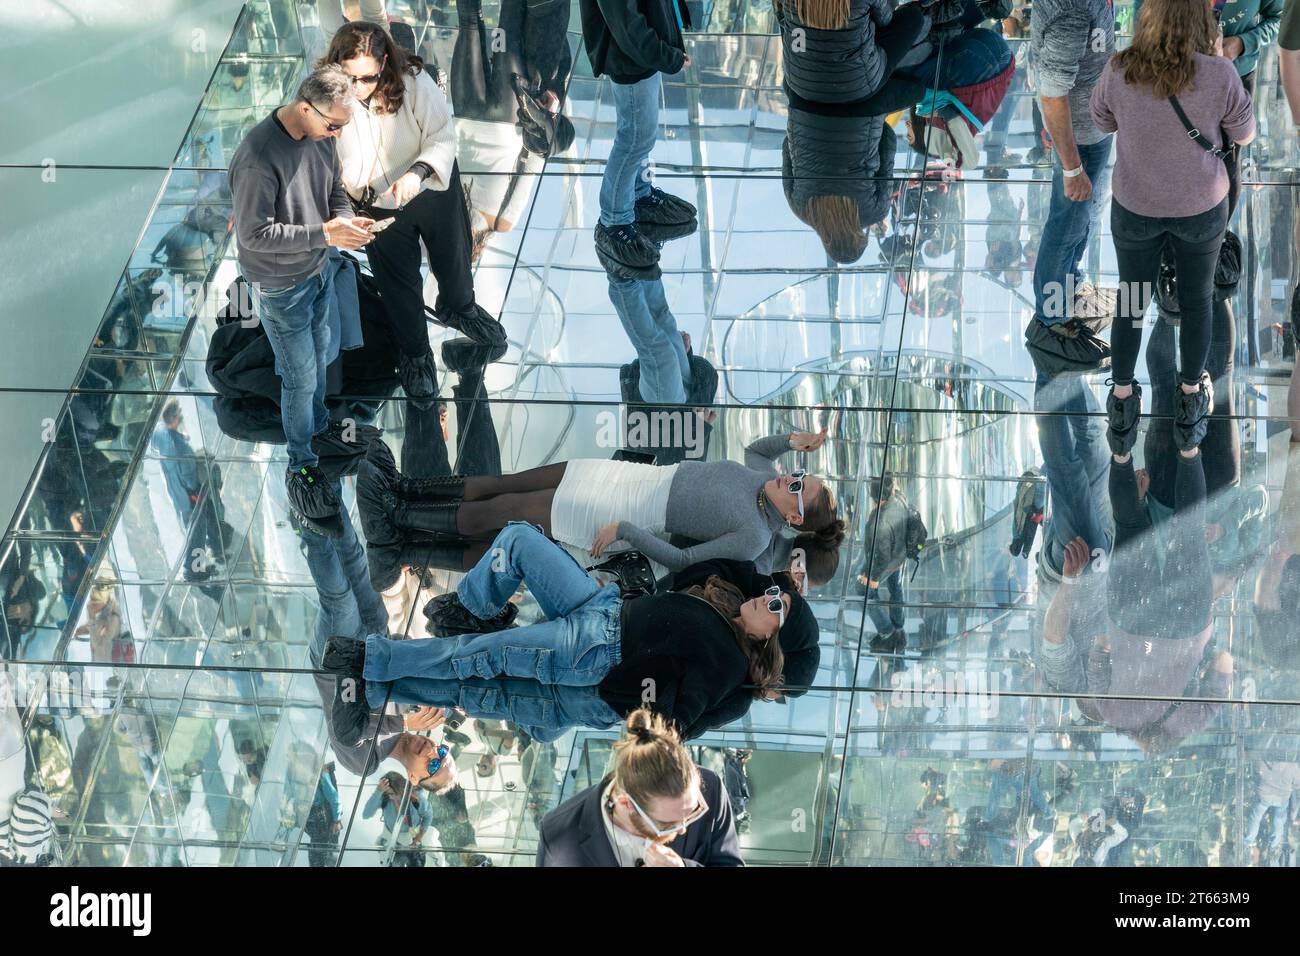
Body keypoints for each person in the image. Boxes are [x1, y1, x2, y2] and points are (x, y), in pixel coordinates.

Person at [322, 522, 794, 743]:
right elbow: (726, 566)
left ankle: (370, 666)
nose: (767, 595)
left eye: (777, 607)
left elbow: (676, 723)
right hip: (603, 614)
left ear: (767, 639)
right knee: (519, 541)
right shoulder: (725, 605)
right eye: (773, 593)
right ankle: (464, 611)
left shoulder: (729, 665)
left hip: (596, 653)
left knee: (472, 667)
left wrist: (627, 690)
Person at [1090, 0, 1255, 459]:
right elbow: (1244, 134)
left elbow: (1101, 121)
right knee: (1198, 299)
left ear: (1146, 20)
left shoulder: (1119, 68)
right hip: (1200, 208)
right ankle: (1188, 401)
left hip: (1135, 206)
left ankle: (1122, 403)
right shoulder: (1219, 74)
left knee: (1131, 300)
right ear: (1203, 24)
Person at [356, 427, 844, 577]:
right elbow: (758, 449)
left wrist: (625, 532)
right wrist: (794, 441)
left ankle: (396, 523)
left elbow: (680, 559)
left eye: (800, 488)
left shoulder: (755, 538)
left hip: (615, 514)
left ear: (795, 517)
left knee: (500, 515)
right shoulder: (763, 478)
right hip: (619, 475)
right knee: (505, 486)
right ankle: (400, 492)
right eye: (799, 476)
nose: (793, 480)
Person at [323, 20, 507, 411]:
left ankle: (459, 307)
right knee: (398, 286)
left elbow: (442, 136)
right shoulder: (327, 99)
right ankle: (416, 355)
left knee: (453, 258)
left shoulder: (415, 82)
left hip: (429, 187)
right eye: (350, 78)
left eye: (369, 77)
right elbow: (322, 165)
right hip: (376, 206)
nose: (360, 88)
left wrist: (418, 173)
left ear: (385, 61)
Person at [227, 64, 376, 534]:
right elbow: (254, 236)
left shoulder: (324, 134)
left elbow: (333, 189)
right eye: (333, 125)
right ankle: (301, 462)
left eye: (343, 126)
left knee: (320, 352)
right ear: (304, 107)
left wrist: (345, 223)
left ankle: (314, 424)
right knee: (300, 373)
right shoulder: (258, 158)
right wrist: (324, 233)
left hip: (317, 269)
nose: (337, 133)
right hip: (281, 286)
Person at [1021, 0, 1115, 374]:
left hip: (1090, 128)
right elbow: (1052, 94)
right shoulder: (1072, 11)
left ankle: (1070, 288)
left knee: (1083, 220)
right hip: (1078, 139)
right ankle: (1050, 318)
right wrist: (1072, 168)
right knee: (1066, 226)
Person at [535, 707, 744, 866]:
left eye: (693, 812)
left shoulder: (712, 791)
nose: (683, 829)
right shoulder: (558, 835)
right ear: (626, 803)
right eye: (667, 824)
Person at [1134, 0, 1281, 218]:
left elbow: (1278, 19)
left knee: (1229, 161)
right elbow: (1141, 15)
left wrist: (1242, 43)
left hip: (1236, 75)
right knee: (1177, 156)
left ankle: (1219, 240)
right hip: (1177, 75)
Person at [452, 0, 576, 259]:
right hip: (505, 119)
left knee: (469, 23)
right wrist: (548, 117)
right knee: (505, 24)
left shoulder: (444, 215)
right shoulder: (502, 222)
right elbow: (530, 167)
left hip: (467, 115)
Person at [580, 0, 699, 271]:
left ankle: (638, 194)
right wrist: (666, 56)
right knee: (635, 138)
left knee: (641, 135)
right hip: (631, 57)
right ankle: (613, 220)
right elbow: (626, 24)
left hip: (642, 56)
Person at [775, 0, 932, 107]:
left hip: (801, 83)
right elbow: (886, 20)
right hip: (858, 86)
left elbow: (782, 21)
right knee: (913, 18)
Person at [150, 401, 225, 582]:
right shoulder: (180, 449)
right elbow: (190, 477)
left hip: (177, 494)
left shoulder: (160, 434)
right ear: (175, 418)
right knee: (196, 533)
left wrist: (178, 436)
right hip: (189, 497)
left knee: (198, 526)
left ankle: (212, 545)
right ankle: (194, 570)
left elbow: (160, 441)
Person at [857, 475, 911, 654]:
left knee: (862, 591)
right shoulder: (899, 499)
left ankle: (887, 632)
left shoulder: (881, 522)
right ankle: (899, 628)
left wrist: (871, 577)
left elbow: (882, 556)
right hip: (900, 554)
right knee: (895, 588)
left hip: (888, 561)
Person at [364, 770, 439, 866]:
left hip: (413, 842)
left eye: (391, 793)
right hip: (394, 843)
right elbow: (366, 814)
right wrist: (378, 792)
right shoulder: (385, 799)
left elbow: (428, 816)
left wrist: (419, 837)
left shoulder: (417, 798)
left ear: (400, 789)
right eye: (387, 793)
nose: (390, 797)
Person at [1243, 761, 1300, 865]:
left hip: (1264, 795)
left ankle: (1248, 842)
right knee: (1278, 820)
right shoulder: (1292, 765)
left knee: (1256, 816)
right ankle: (1274, 846)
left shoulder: (1264, 758)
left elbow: (1256, 772)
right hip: (1282, 797)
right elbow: (1297, 784)